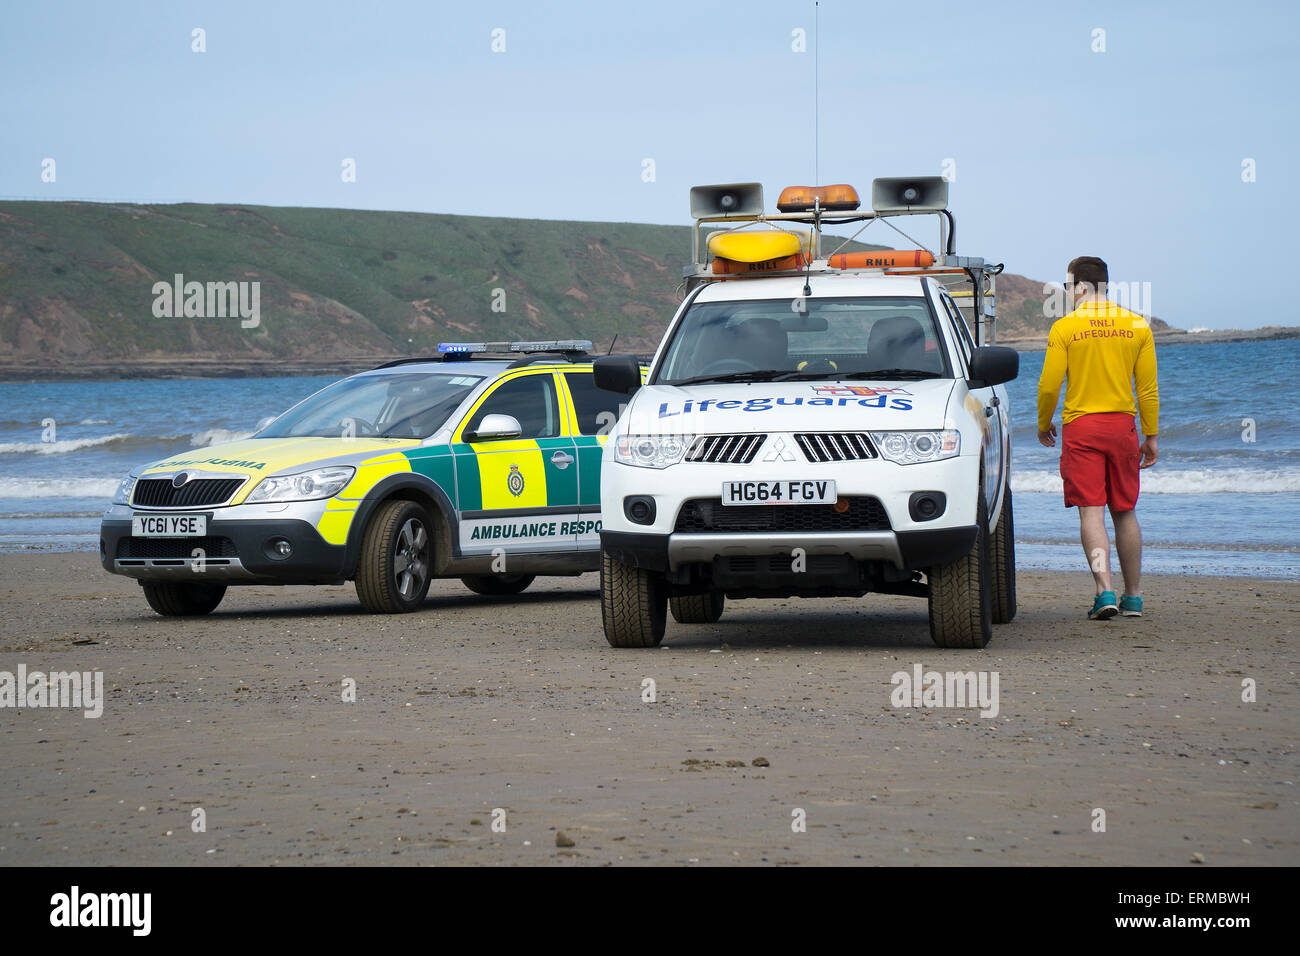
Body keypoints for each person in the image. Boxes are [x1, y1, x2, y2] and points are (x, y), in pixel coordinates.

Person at [1037, 256, 1159, 620]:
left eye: (1067, 285)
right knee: (1125, 511)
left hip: (1082, 428)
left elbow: (1049, 386)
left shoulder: (1065, 328)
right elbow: (1148, 390)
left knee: (1091, 512)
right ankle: (1134, 597)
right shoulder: (1137, 326)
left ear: (1080, 287)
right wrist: (1151, 435)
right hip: (1123, 427)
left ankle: (1104, 591)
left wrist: (1043, 423)